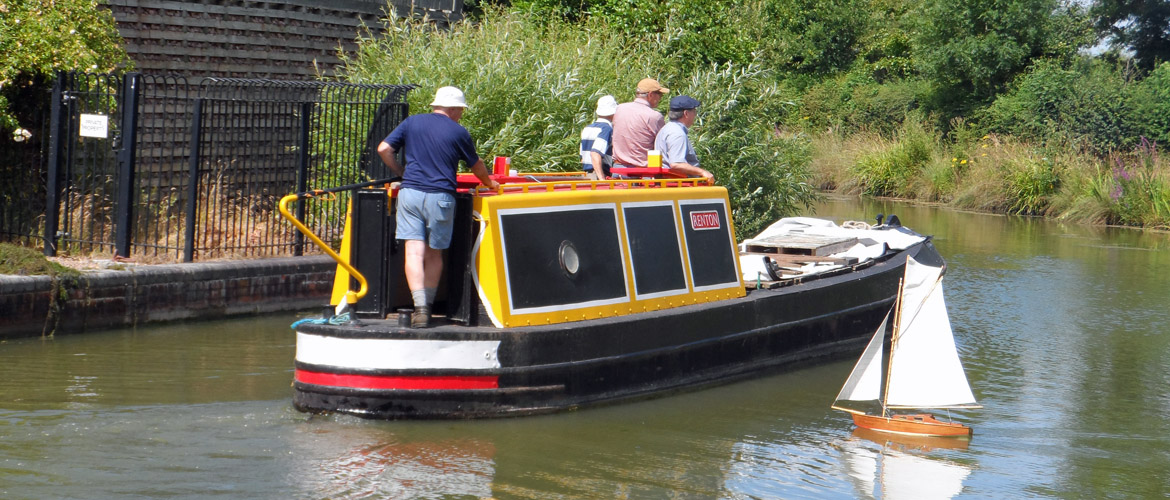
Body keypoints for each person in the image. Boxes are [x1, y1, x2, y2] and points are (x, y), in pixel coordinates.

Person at [377, 86, 500, 328]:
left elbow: (383, 149)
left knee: (413, 252)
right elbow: (476, 165)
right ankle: (428, 308)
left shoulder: (411, 123)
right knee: (434, 254)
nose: (461, 114)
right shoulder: (458, 132)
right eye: (461, 110)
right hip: (440, 197)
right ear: (454, 109)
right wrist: (490, 183)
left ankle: (418, 307)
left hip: (409, 193)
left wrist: (400, 172)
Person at [654, 95, 714, 182]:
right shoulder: (677, 133)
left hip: (668, 183)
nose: (695, 115)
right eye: (694, 111)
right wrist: (702, 172)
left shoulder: (666, 129)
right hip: (677, 185)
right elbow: (676, 164)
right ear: (686, 113)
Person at [611, 78, 669, 168]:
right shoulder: (654, 116)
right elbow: (664, 144)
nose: (660, 98)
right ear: (650, 94)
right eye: (660, 94)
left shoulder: (619, 109)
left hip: (618, 168)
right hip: (642, 172)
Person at [580, 95, 617, 180]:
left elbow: (582, 157)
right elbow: (595, 153)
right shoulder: (606, 129)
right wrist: (602, 179)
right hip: (599, 174)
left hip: (587, 175)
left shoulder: (587, 128)